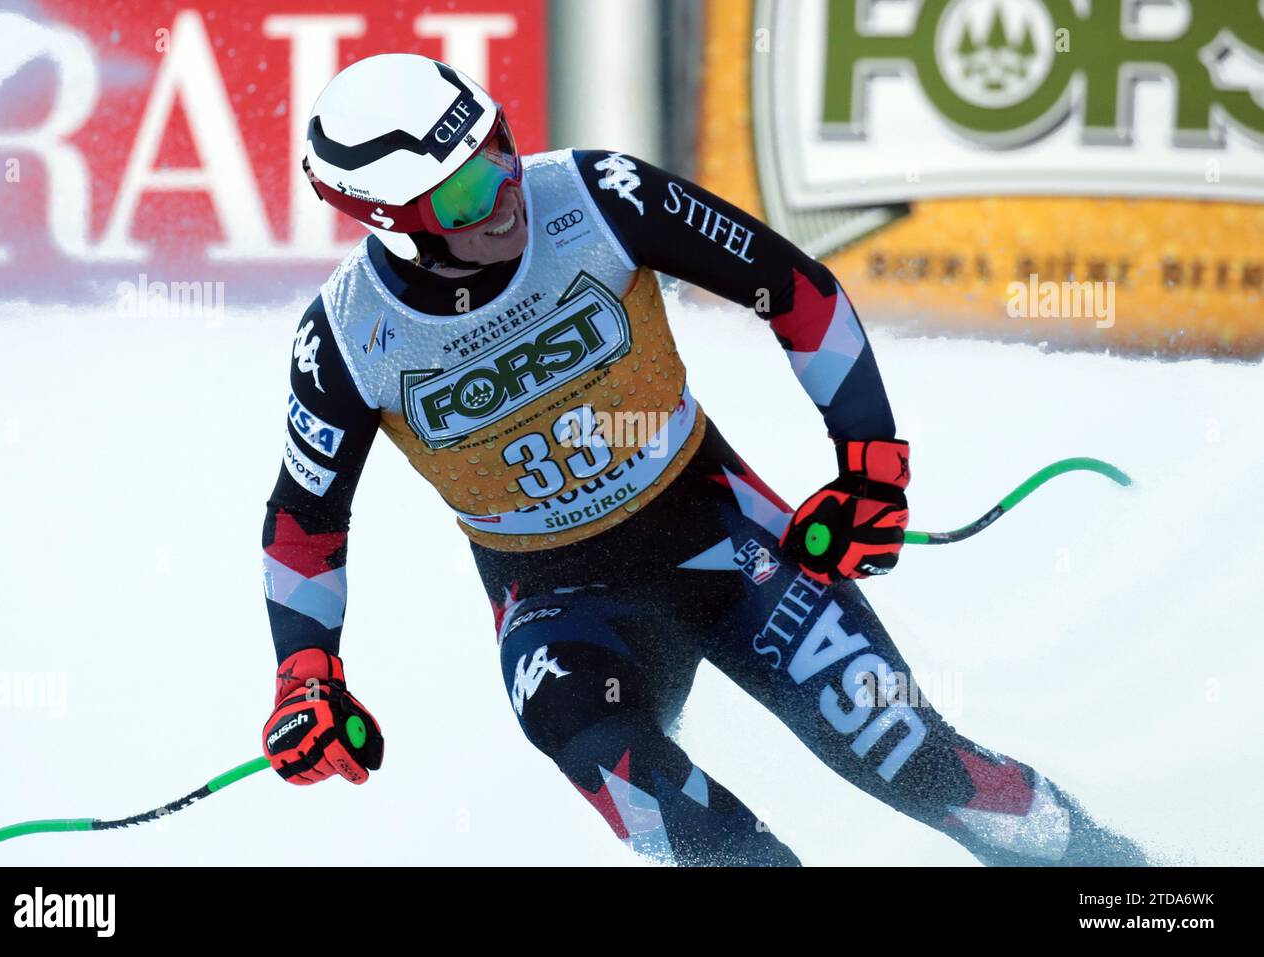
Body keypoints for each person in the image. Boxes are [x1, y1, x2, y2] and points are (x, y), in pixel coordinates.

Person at [260, 53, 1145, 865]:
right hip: (559, 613)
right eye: (460, 198)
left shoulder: (598, 195)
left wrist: (871, 466)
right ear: (393, 222)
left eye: (501, 147)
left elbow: (798, 292)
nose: (504, 196)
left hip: (729, 544)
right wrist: (305, 677)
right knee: (706, 840)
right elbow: (305, 525)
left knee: (931, 774)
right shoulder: (346, 337)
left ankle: (1134, 885)